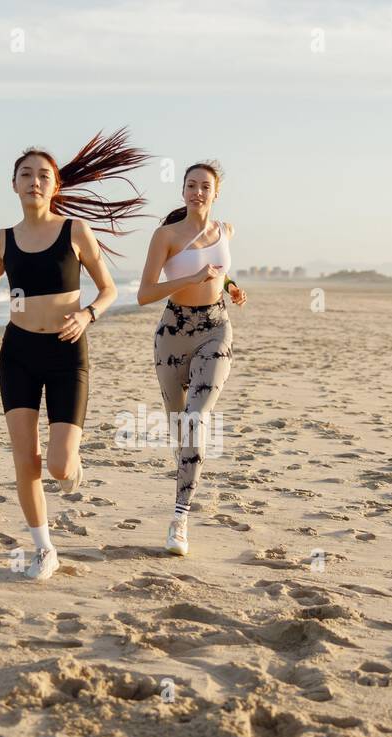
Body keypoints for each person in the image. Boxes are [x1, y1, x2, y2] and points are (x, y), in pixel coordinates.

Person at [0, 129, 150, 579]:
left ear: (56, 185)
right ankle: (44, 548)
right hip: (18, 352)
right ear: (13, 184)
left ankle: (72, 465)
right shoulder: (0, 239)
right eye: (25, 174)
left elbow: (109, 290)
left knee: (60, 466)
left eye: (43, 175)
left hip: (68, 352)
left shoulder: (75, 231)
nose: (34, 181)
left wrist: (87, 315)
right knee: (25, 459)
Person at [136, 160, 246, 556]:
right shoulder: (165, 235)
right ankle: (187, 469)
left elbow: (219, 270)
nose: (198, 192)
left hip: (216, 328)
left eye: (205, 186)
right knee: (180, 429)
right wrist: (192, 279)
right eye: (191, 185)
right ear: (182, 191)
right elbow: (145, 293)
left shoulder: (225, 230)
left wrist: (230, 285)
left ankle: (179, 520)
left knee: (196, 421)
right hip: (172, 334)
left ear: (216, 193)